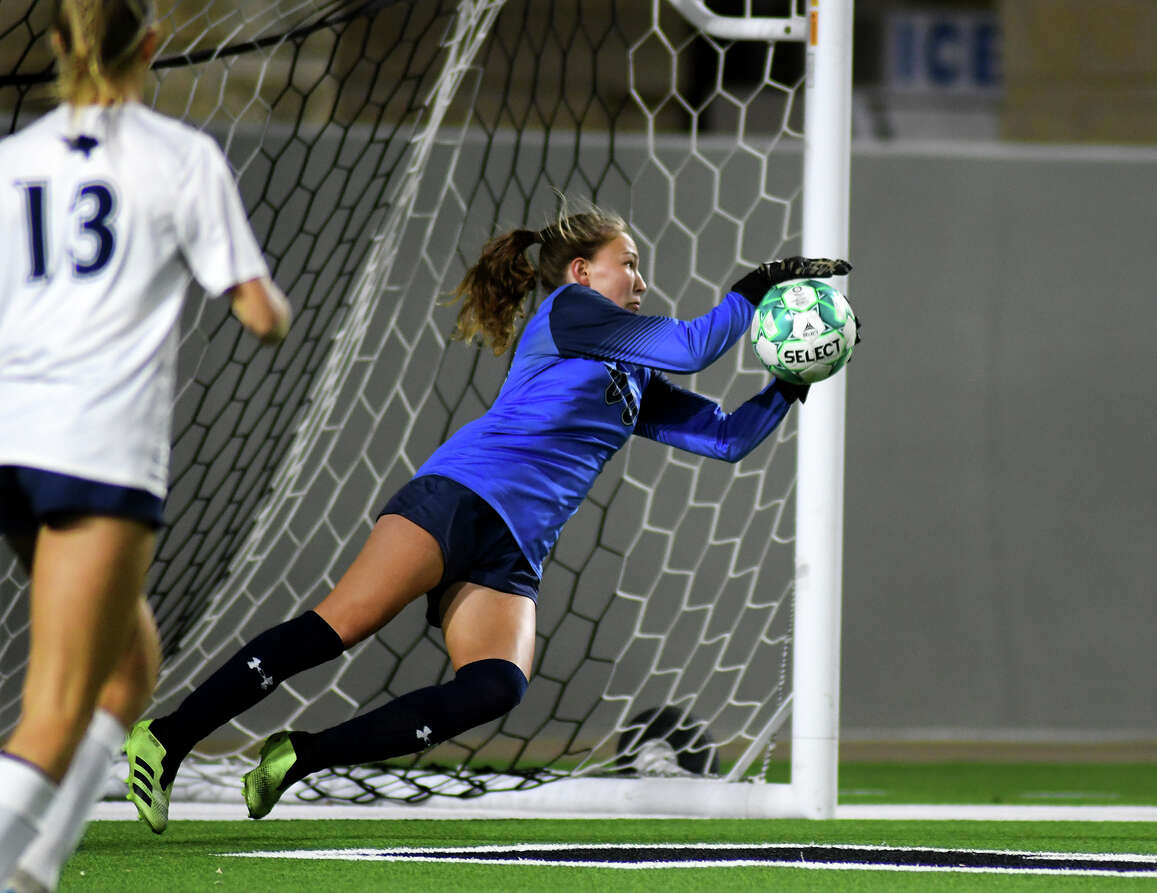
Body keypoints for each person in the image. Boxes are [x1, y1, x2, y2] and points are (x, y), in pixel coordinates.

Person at [124, 197, 851, 831]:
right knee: (335, 627)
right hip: (462, 496)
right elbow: (694, 345)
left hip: (514, 550)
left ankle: (302, 755)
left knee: (495, 685)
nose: (641, 278)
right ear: (580, 273)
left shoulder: (627, 371)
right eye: (627, 262)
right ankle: (167, 737)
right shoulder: (571, 314)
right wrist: (761, 284)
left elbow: (725, 438)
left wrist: (792, 379)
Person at [0, 0, 292, 888]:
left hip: (11, 444)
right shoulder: (179, 157)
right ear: (154, 49)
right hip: (97, 450)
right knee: (56, 704)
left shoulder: (11, 163)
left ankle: (39, 866)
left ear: (54, 46)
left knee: (131, 665)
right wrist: (265, 302)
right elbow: (258, 311)